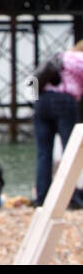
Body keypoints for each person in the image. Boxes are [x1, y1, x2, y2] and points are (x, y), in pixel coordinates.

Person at [33, 41, 83, 206]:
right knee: (70, 151)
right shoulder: (80, 60)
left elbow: (33, 81)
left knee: (43, 153)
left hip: (42, 102)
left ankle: (42, 197)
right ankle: (70, 197)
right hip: (65, 101)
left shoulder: (60, 57)